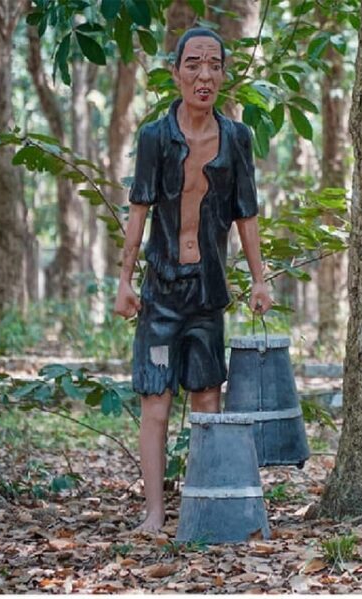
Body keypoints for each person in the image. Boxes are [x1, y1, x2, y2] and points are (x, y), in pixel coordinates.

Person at [114, 27, 272, 533]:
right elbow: (138, 209)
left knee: (207, 398)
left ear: (224, 74)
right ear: (176, 72)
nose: (204, 75)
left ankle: (207, 505)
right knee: (155, 400)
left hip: (207, 292)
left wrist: (261, 279)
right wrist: (124, 280)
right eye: (193, 64)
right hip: (160, 292)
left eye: (214, 65)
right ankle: (155, 513)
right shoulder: (154, 138)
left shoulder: (237, 138)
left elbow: (246, 215)